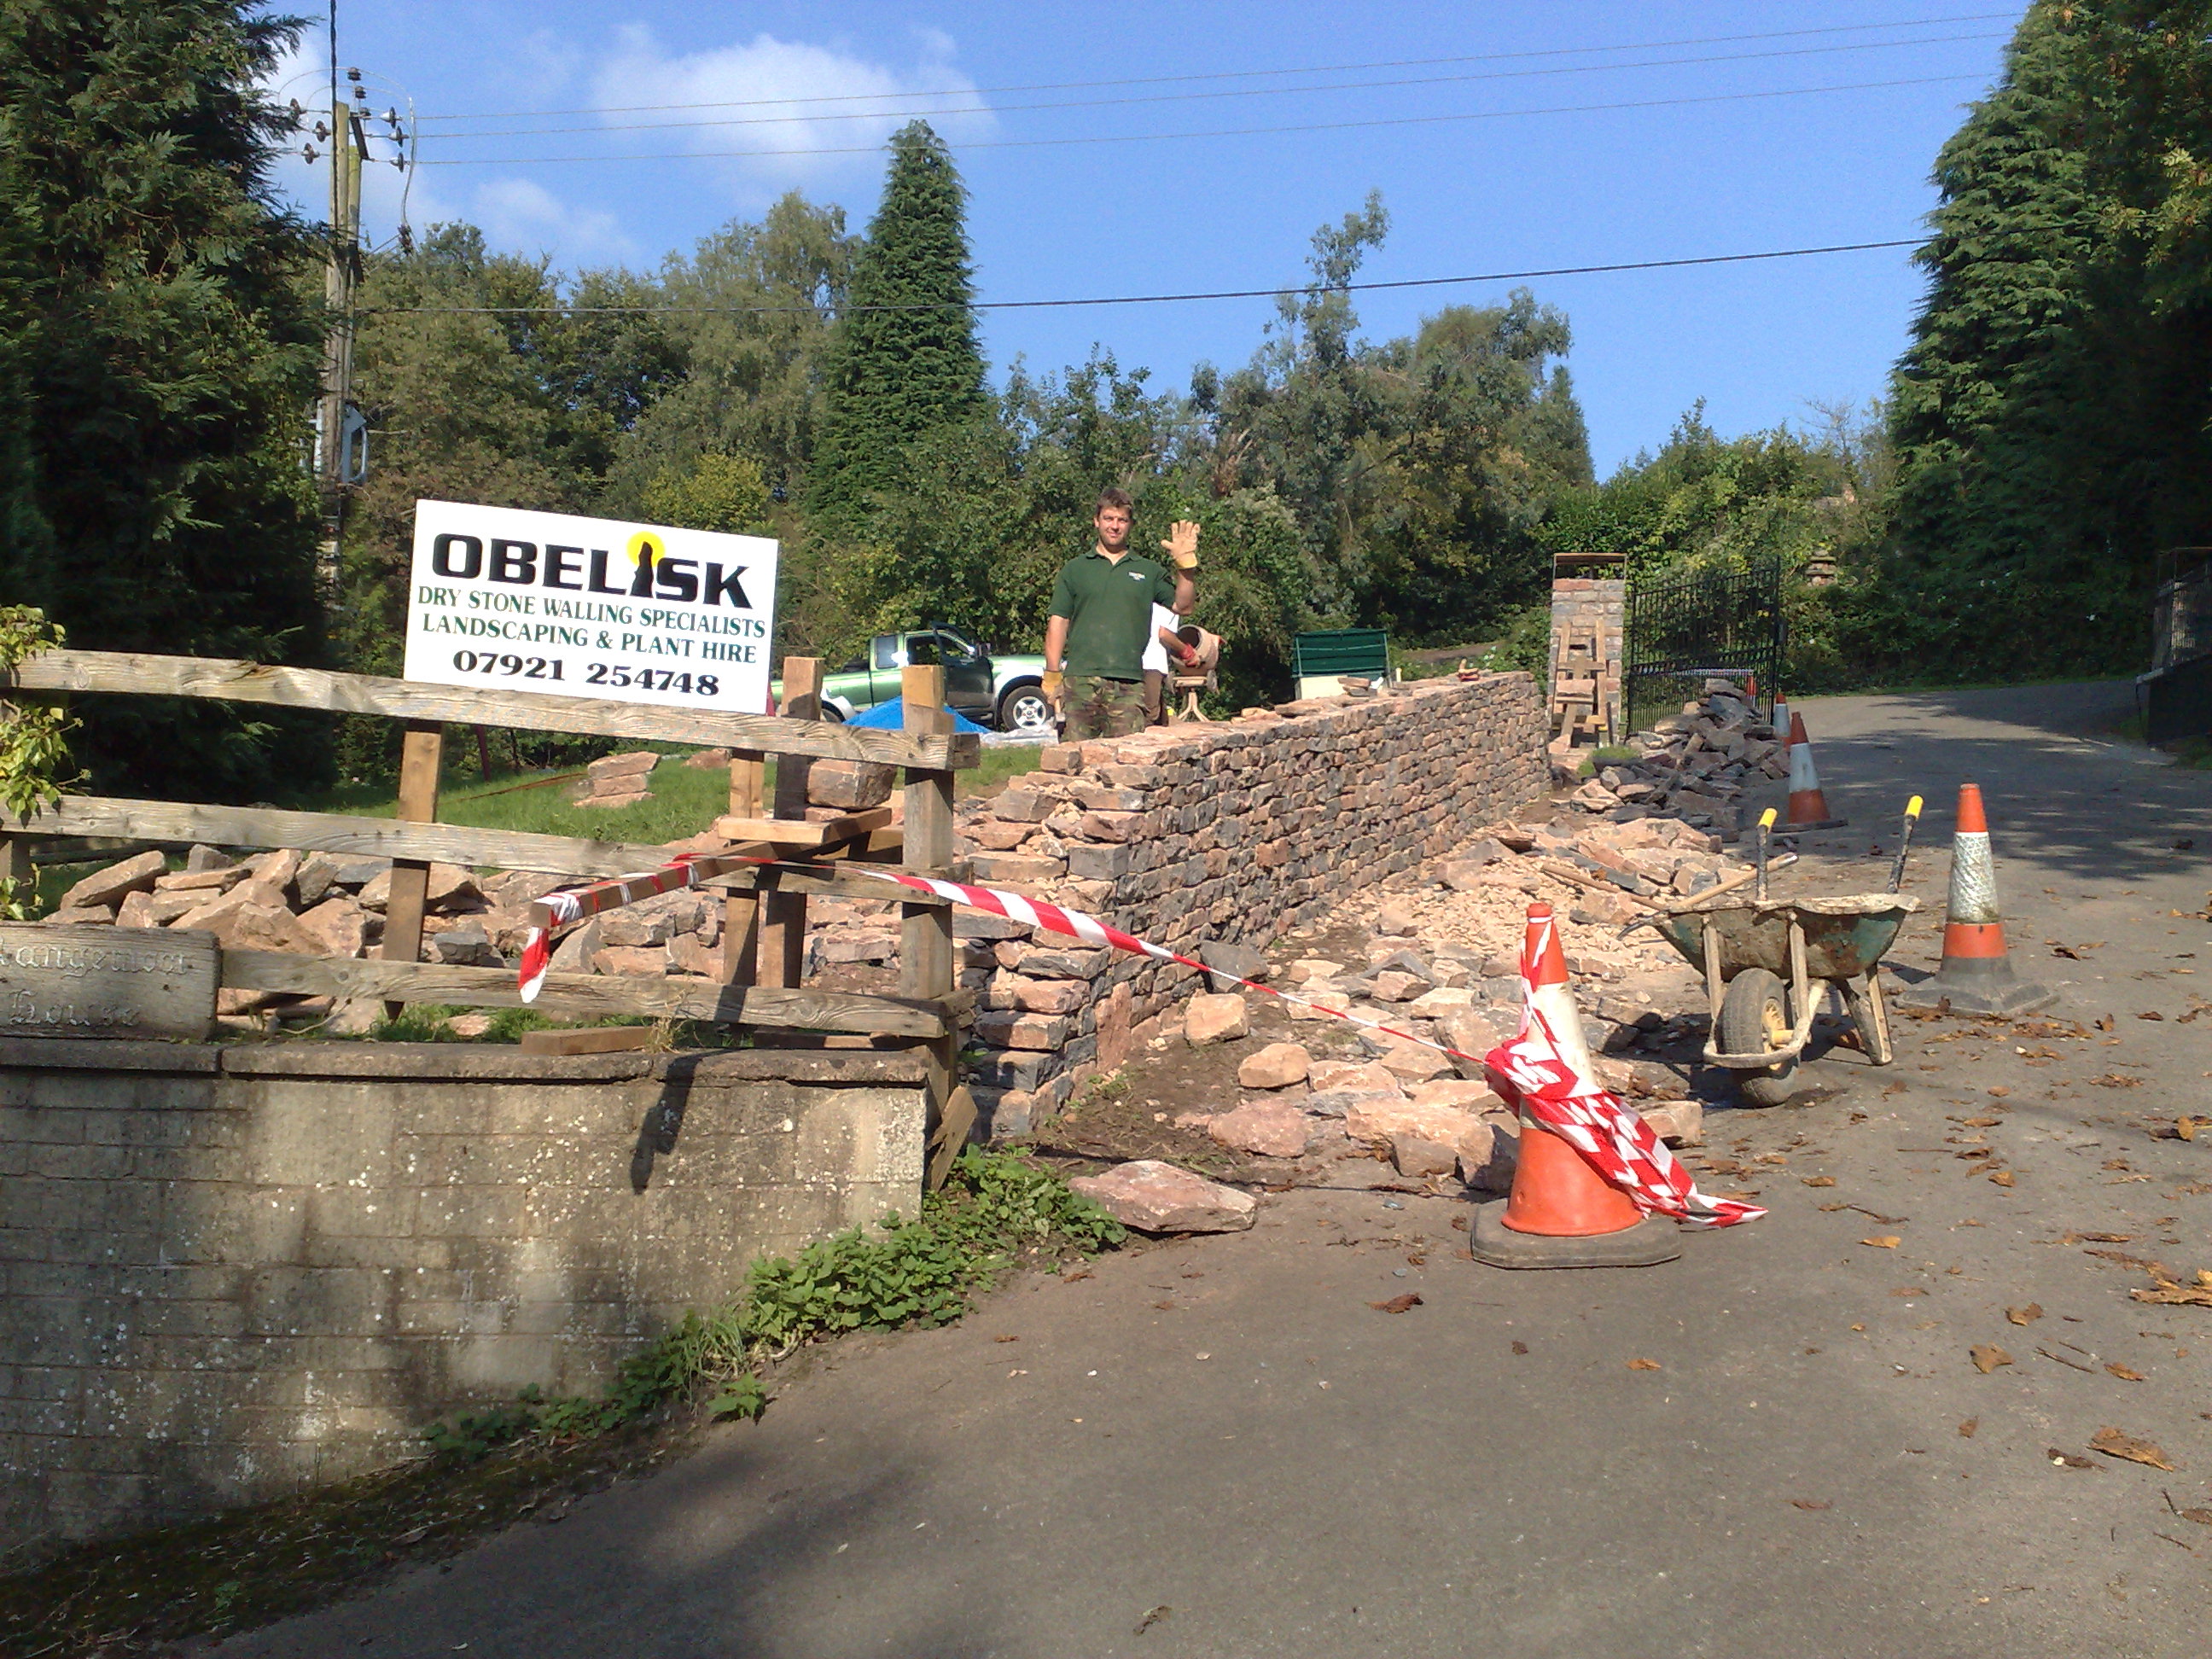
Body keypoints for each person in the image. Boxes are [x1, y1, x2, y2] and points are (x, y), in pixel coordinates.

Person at [1042, 489, 1197, 740]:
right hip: (1080, 681)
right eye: (1109, 518)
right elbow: (1058, 621)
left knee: (1128, 762)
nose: (1115, 526)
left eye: (1122, 520)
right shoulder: (1075, 569)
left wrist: (1186, 569)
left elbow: (1184, 606)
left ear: (1130, 524)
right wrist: (1052, 672)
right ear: (1096, 521)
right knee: (1076, 760)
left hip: (1130, 683)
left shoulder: (1147, 571)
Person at [1140, 602, 1201, 725]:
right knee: (1149, 716)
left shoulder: (1146, 598)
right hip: (1151, 664)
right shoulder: (1169, 604)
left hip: (1135, 661)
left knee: (1160, 719)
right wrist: (1187, 652)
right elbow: (1164, 634)